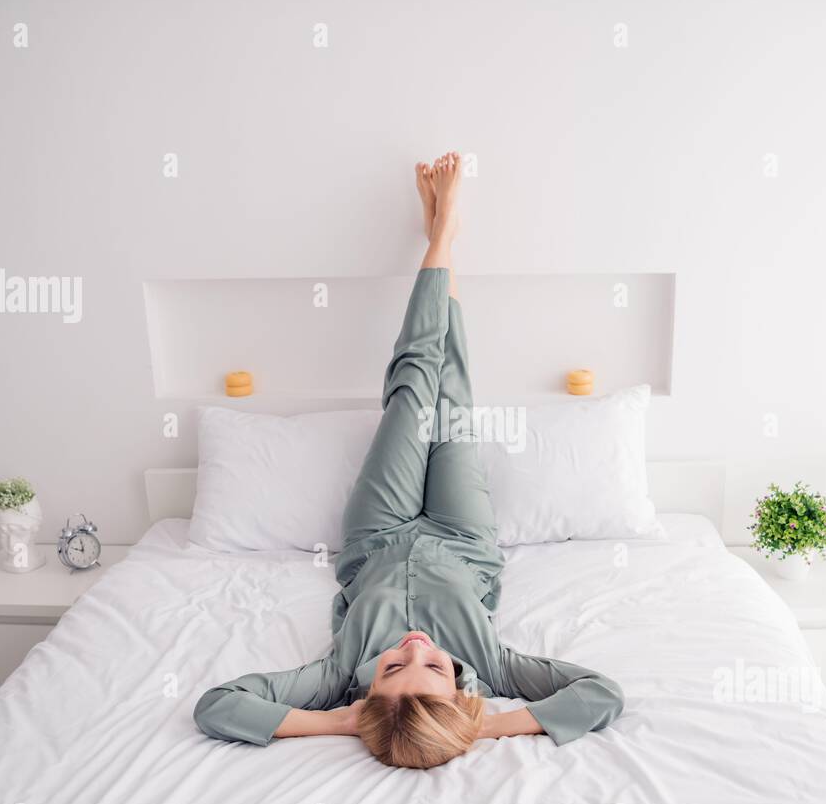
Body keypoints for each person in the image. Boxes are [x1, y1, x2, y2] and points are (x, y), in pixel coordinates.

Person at [193, 152, 624, 768]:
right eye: (434, 669)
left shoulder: (339, 676)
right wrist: (485, 729)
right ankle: (442, 242)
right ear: (459, 691)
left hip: (378, 533)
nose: (416, 647)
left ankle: (442, 237)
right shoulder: (493, 664)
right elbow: (602, 695)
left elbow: (219, 705)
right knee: (452, 396)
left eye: (394, 666)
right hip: (462, 539)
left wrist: (337, 721)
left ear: (369, 691)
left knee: (412, 388)